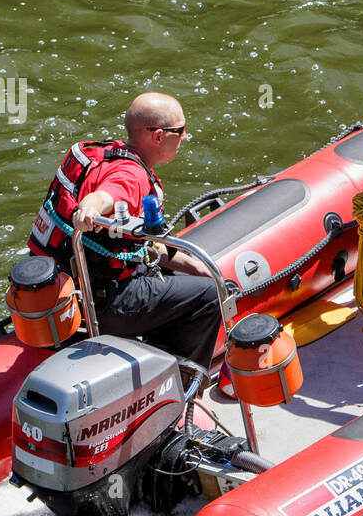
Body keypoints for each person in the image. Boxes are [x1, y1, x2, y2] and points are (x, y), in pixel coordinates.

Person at [27, 92, 221, 368]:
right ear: (159, 136)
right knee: (208, 295)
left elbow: (137, 245)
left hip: (71, 288)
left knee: (181, 273)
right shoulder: (131, 177)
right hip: (103, 304)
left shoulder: (101, 155)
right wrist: (89, 208)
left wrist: (198, 268)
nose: (186, 137)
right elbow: (106, 196)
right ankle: (182, 378)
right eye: (180, 131)